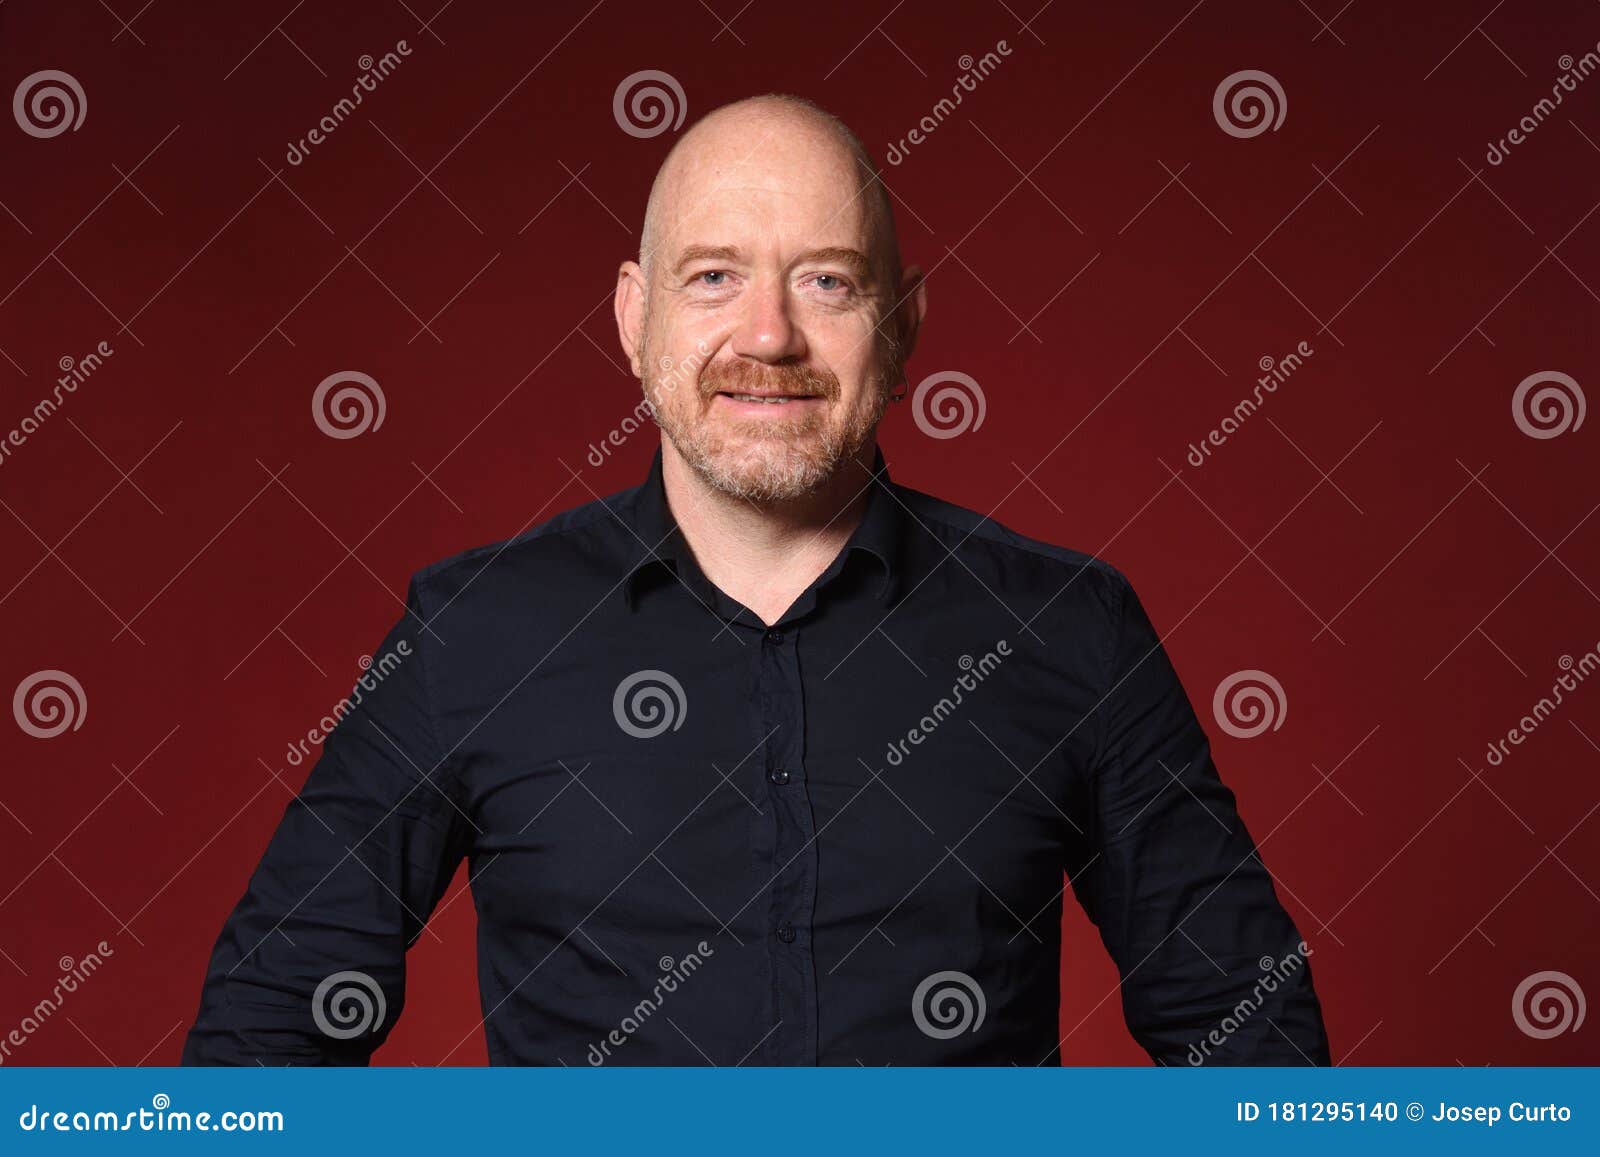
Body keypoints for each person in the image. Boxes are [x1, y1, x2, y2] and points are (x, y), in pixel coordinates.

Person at [182, 93, 1329, 1066]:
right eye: (714, 275)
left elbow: (1253, 1044)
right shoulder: (473, 630)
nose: (768, 334)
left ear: (903, 323)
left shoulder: (1072, 630)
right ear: (635, 317)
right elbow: (266, 1032)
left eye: (826, 281)